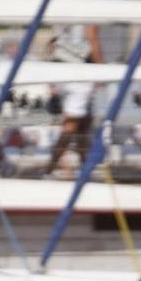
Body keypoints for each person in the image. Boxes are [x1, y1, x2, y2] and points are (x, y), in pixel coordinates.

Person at [46, 24, 103, 176]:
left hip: (62, 70)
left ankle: (87, 167)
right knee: (71, 125)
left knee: (84, 123)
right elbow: (93, 39)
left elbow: (52, 43)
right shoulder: (86, 14)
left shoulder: (63, 10)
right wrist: (102, 71)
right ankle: (49, 168)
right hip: (80, 73)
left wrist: (50, 73)